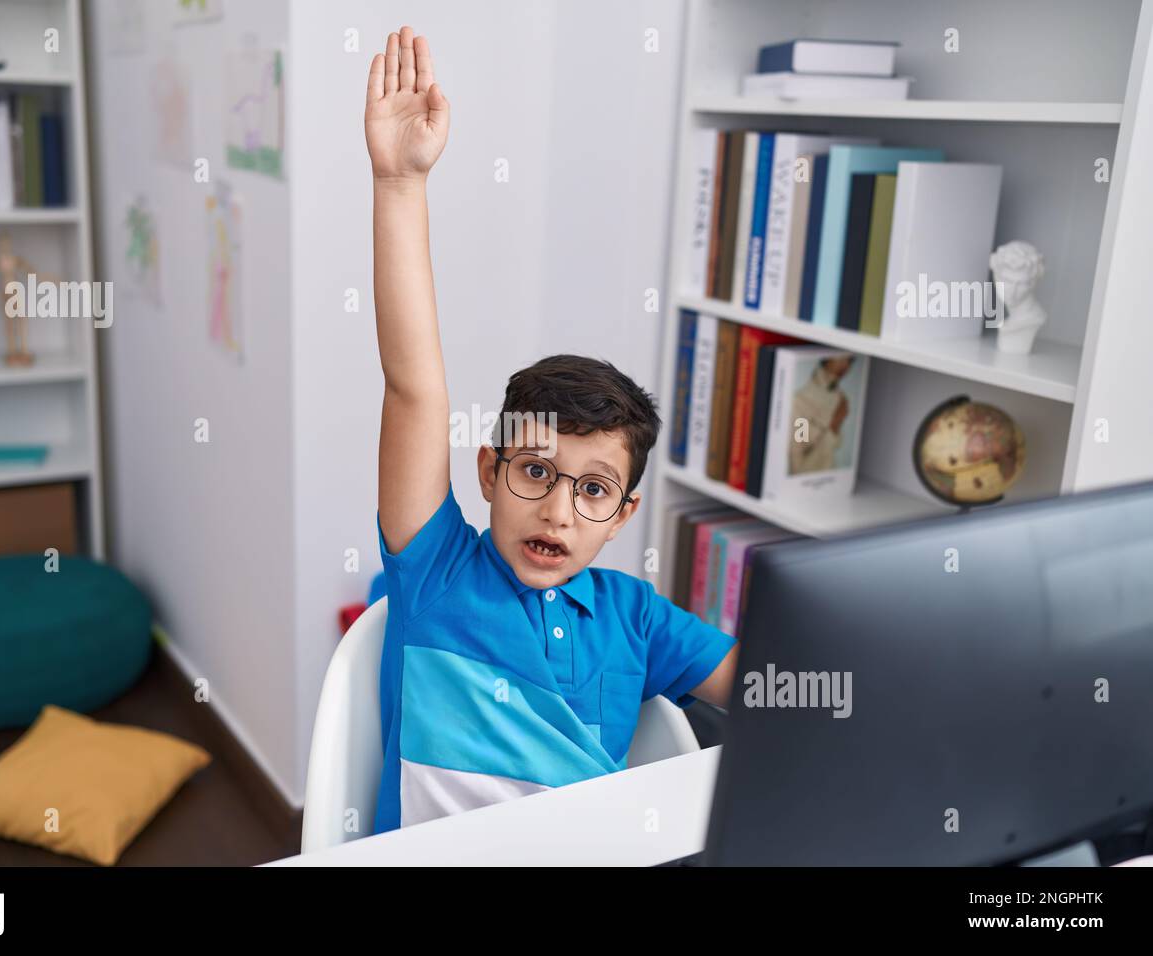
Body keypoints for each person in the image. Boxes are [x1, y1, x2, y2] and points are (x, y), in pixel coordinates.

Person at [366, 26, 738, 833]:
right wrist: (398, 183)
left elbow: (767, 689)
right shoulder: (434, 572)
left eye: (594, 489)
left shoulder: (637, 616)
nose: (559, 511)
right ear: (489, 472)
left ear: (624, 514)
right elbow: (415, 387)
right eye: (536, 472)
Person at [788, 355, 854, 475]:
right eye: (842, 357)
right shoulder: (800, 400)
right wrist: (835, 425)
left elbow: (835, 446)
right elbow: (797, 462)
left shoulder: (840, 398)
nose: (846, 365)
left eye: (850, 361)